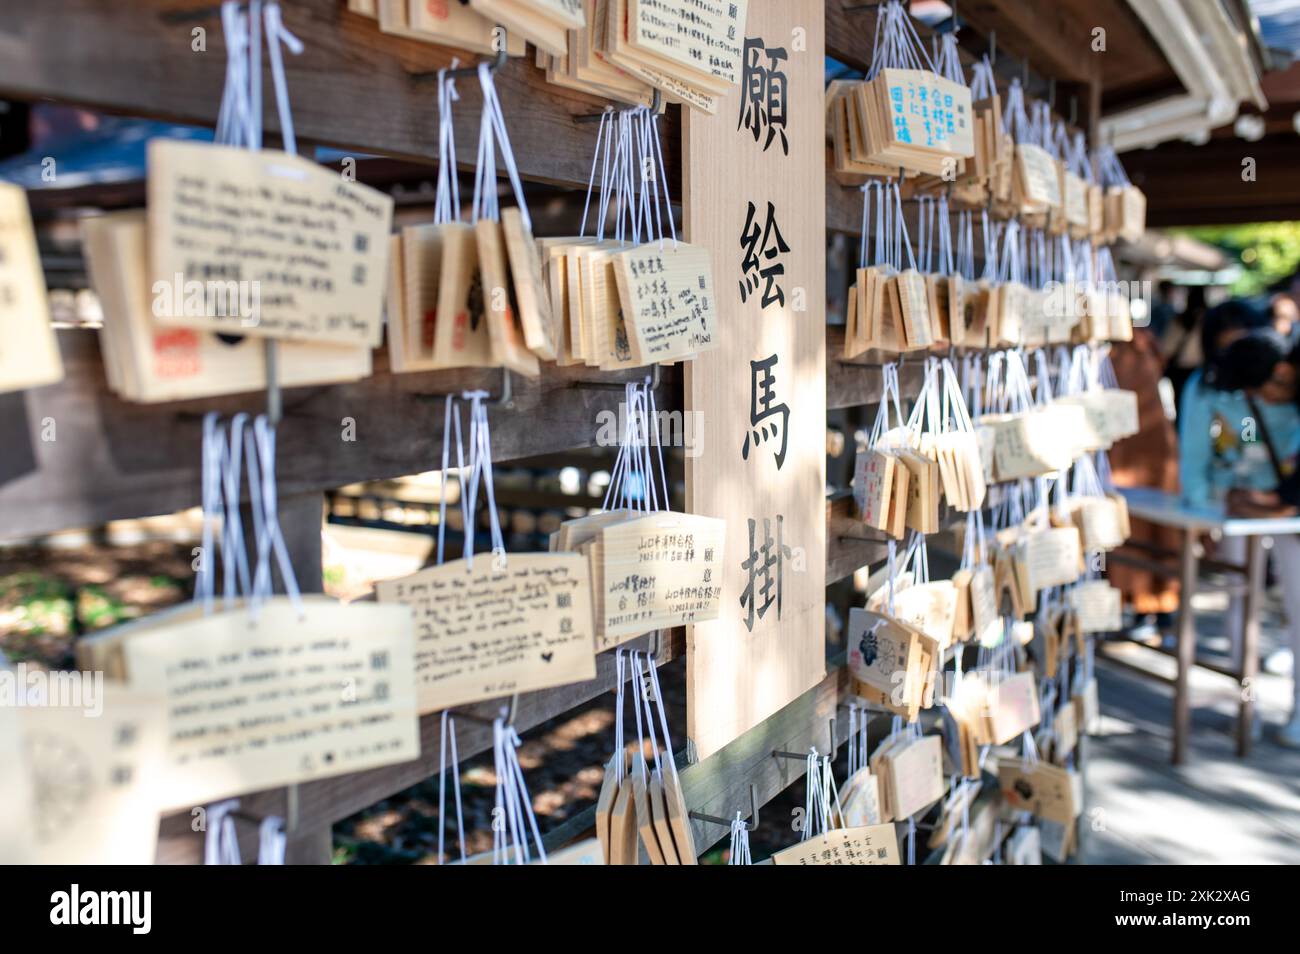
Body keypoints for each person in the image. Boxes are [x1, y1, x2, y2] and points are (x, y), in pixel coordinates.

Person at [1205, 329, 1300, 747]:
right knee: (1240, 600)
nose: (1276, 391)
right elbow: (1241, 446)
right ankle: (1249, 707)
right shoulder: (1242, 404)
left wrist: (1273, 497)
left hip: (1284, 513)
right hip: (1259, 508)